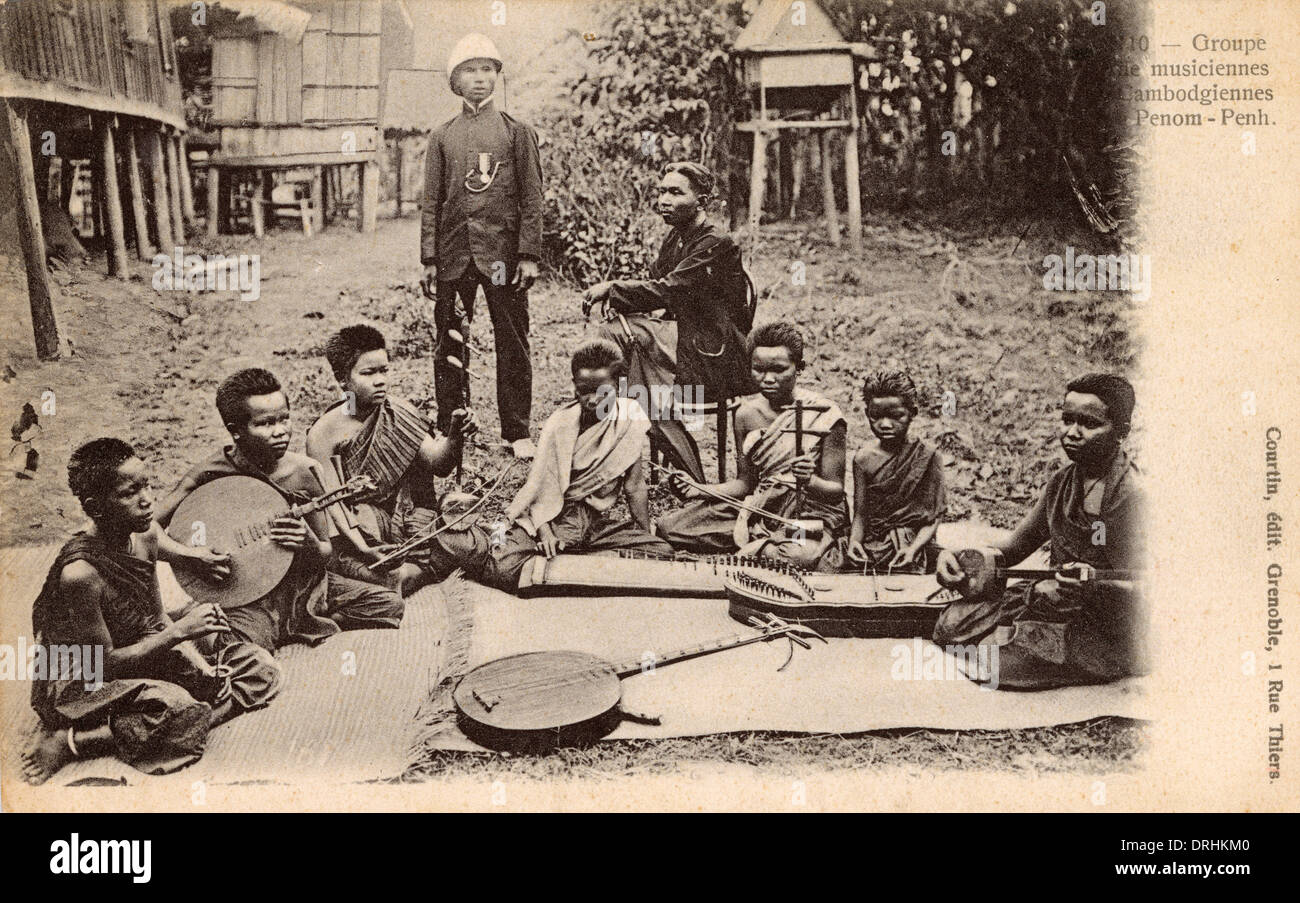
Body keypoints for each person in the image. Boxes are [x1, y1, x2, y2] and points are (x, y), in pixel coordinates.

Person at [22, 439, 281, 784]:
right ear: (95, 507)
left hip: (141, 644)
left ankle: (186, 718)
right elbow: (103, 663)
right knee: (176, 707)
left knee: (259, 666)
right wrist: (180, 633)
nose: (147, 500)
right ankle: (72, 741)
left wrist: (204, 670)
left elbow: (156, 619)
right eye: (130, 492)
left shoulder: (145, 535)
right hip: (85, 675)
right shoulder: (80, 574)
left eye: (146, 485)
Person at [155, 369, 404, 653]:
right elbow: (143, 530)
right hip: (249, 596)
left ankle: (298, 624)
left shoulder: (304, 473)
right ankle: (291, 627)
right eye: (265, 423)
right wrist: (190, 556)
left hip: (304, 586)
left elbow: (324, 552)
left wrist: (308, 543)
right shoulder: (210, 474)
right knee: (239, 649)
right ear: (235, 430)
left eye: (284, 419)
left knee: (389, 605)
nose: (280, 431)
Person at [932, 373, 1148, 689]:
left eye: (1088, 424)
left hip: (1107, 622)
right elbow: (1015, 547)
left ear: (1122, 431)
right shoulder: (1062, 482)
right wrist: (957, 559)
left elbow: (1150, 589)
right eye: (1067, 420)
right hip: (1051, 599)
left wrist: (1093, 586)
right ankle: (1029, 638)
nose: (1072, 433)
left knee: (993, 658)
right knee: (951, 626)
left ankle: (1051, 649)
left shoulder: (1133, 495)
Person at [582, 162, 756, 482]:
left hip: (714, 352)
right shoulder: (676, 237)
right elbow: (655, 285)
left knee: (622, 348)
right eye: (662, 191)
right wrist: (624, 310)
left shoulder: (716, 241)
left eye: (676, 192)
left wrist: (612, 289)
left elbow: (668, 290)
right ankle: (632, 431)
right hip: (683, 337)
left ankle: (621, 431)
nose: (664, 199)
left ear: (701, 201)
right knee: (617, 332)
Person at [420, 32, 542, 460]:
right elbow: (431, 202)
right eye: (470, 70)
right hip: (454, 255)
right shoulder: (442, 137)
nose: (480, 78)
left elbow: (531, 198)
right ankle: (450, 425)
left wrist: (527, 254)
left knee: (512, 340)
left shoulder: (517, 132)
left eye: (487, 69)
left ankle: (517, 430)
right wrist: (430, 259)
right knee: (449, 340)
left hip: (502, 259)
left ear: (497, 76)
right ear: (455, 80)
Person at [482, 340, 673, 591]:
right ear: (574, 387)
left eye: (602, 391)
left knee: (660, 551)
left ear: (619, 385)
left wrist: (644, 534)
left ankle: (578, 558)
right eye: (584, 391)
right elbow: (540, 488)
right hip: (559, 517)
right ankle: (501, 541)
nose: (592, 400)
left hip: (595, 524)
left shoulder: (629, 416)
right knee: (506, 562)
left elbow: (634, 485)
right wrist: (545, 532)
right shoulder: (560, 425)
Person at [657, 322, 849, 571]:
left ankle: (765, 543)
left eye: (779, 369)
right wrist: (699, 490)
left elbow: (835, 491)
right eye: (759, 369)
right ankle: (765, 541)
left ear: (799, 368)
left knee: (796, 556)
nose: (768, 379)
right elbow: (746, 483)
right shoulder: (746, 415)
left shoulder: (825, 414)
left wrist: (809, 479)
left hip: (811, 510)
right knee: (670, 528)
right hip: (763, 506)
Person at [307, 325, 477, 595]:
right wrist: (364, 548)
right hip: (360, 529)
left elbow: (439, 464)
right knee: (344, 551)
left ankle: (407, 572)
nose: (380, 380)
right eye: (368, 373)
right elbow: (332, 505)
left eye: (384, 370)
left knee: (470, 542)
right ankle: (414, 571)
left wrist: (455, 434)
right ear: (342, 379)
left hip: (409, 518)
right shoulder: (323, 433)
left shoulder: (399, 411)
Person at [847, 370, 946, 574]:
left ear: (913, 413)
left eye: (896, 416)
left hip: (915, 544)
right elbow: (860, 514)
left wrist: (913, 549)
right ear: (867, 414)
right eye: (876, 416)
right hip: (873, 545)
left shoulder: (928, 456)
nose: (885, 424)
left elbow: (933, 518)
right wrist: (854, 542)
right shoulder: (863, 459)